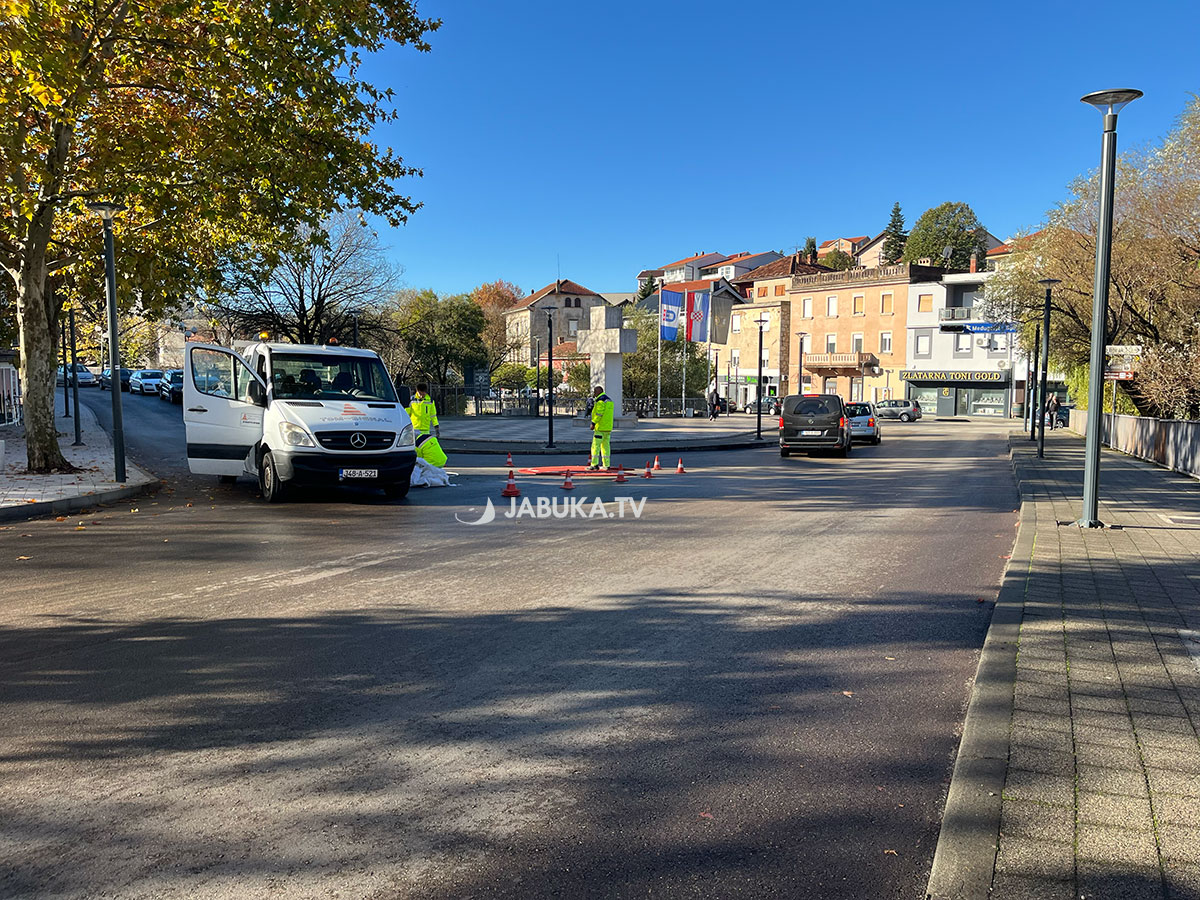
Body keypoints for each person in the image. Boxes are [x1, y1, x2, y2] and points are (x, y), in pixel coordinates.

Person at [587, 385, 614, 471]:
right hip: (607, 428)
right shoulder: (609, 400)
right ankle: (606, 465)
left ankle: (594, 465)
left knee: (595, 446)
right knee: (606, 447)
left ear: (599, 391)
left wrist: (593, 423)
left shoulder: (600, 401)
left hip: (600, 428)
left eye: (595, 392)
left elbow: (599, 413)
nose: (594, 394)